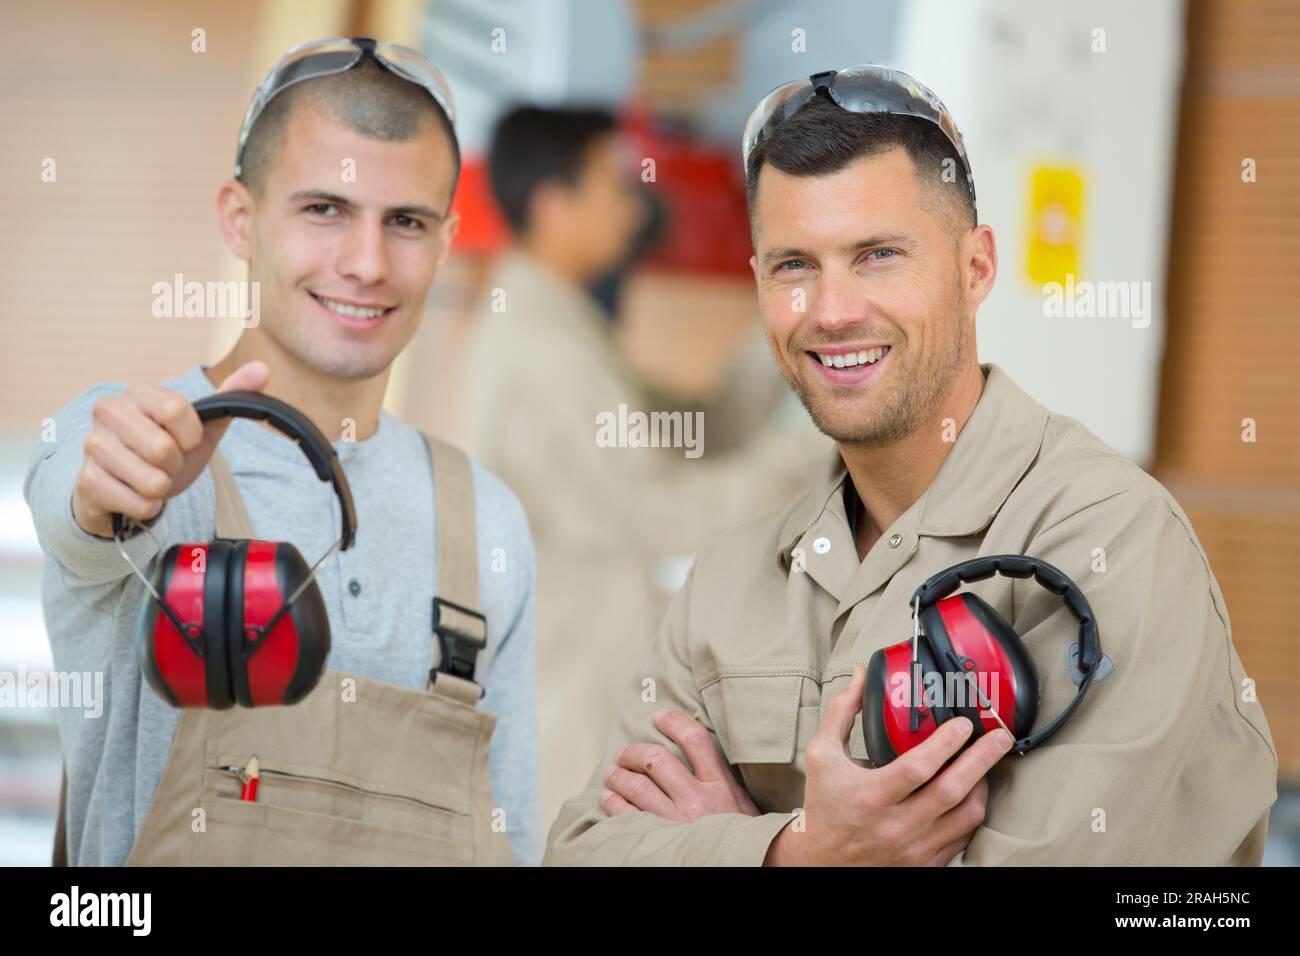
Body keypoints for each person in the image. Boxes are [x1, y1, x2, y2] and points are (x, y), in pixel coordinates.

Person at [543, 66, 1278, 866]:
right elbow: (583, 851)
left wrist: (735, 845)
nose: (833, 310)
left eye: (878, 255)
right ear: (758, 284)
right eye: (795, 265)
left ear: (976, 268)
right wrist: (794, 852)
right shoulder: (728, 580)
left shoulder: (1108, 541)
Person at [25, 37, 541, 866]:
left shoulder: (486, 518)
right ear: (240, 218)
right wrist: (111, 500)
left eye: (404, 222)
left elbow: (511, 836)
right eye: (323, 210)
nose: (366, 263)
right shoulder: (140, 447)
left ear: (444, 243)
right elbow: (78, 497)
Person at [457, 105, 832, 831]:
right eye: (612, 185)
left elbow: (692, 428)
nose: (633, 206)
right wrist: (823, 440)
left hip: (580, 692)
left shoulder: (559, 325)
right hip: (569, 704)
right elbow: (666, 515)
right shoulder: (545, 353)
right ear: (554, 205)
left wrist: (790, 310)